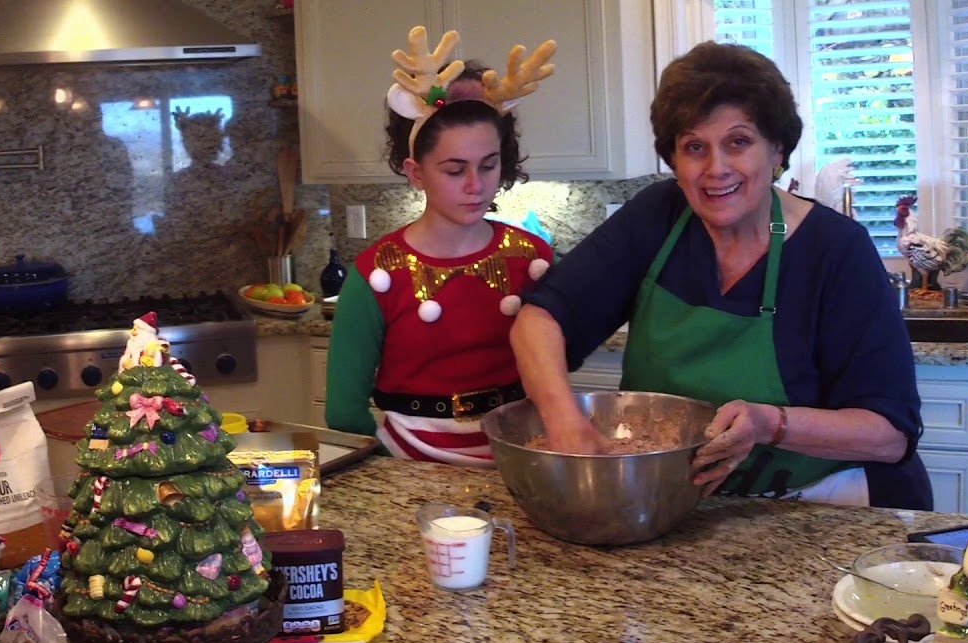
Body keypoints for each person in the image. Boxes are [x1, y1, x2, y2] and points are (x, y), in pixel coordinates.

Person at [511, 42, 931, 510]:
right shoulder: (658, 217)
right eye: (695, 147)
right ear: (674, 159)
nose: (716, 169)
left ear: (776, 149)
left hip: (824, 504)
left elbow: (889, 435)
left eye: (738, 142)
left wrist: (770, 423)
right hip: (681, 506)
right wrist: (566, 422)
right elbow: (541, 319)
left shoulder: (836, 250)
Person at [325, 27, 557, 467]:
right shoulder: (378, 273)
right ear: (416, 174)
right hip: (410, 460)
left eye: (489, 166)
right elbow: (343, 411)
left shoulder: (533, 259)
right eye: (454, 170)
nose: (476, 186)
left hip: (523, 452)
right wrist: (386, 471)